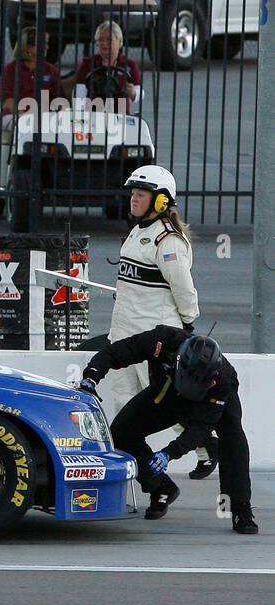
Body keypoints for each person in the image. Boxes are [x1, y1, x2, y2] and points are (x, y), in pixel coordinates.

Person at [79, 327, 257, 533]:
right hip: (168, 390)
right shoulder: (161, 341)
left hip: (209, 400)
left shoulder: (222, 381)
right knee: (121, 432)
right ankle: (161, 487)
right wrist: (91, 377)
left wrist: (169, 453)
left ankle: (239, 508)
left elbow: (200, 429)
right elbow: (116, 352)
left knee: (233, 436)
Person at [104, 164, 214, 478]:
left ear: (162, 200)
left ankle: (207, 447)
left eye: (141, 194)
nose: (133, 199)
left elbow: (183, 288)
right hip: (125, 337)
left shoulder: (168, 241)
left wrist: (188, 324)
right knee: (124, 406)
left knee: (168, 405)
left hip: (154, 339)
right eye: (133, 193)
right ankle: (149, 477)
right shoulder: (137, 232)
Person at [62, 19, 142, 109]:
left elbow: (139, 92)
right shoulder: (87, 64)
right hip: (93, 114)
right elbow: (79, 93)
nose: (104, 44)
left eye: (109, 39)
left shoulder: (130, 65)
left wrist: (133, 93)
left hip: (120, 115)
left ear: (120, 42)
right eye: (100, 40)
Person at [0, 25, 61, 119]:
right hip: (15, 116)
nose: (47, 47)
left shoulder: (51, 70)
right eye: (43, 44)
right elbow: (8, 100)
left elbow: (59, 98)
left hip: (44, 119)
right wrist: (24, 117)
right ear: (28, 48)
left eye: (47, 43)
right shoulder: (11, 69)